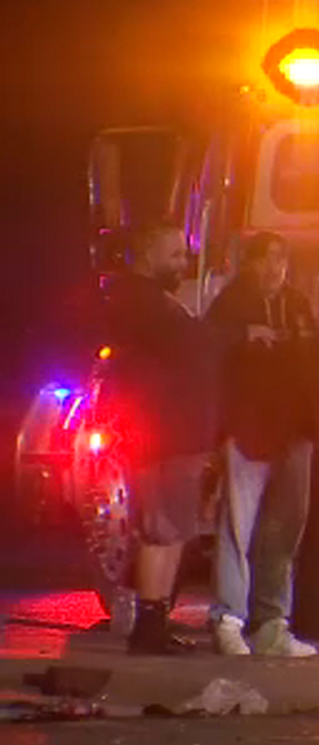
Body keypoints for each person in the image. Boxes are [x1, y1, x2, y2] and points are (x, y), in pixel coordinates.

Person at [100, 223, 221, 655]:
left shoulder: (159, 302)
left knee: (174, 532)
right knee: (161, 531)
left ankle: (156, 621)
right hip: (162, 435)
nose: (183, 264)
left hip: (180, 435)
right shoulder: (141, 301)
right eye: (174, 255)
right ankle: (149, 627)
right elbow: (189, 346)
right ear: (148, 254)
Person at [204, 231, 319, 656]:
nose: (275, 268)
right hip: (248, 429)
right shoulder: (230, 305)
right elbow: (207, 352)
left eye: (281, 258)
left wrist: (314, 423)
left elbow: (313, 365)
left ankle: (272, 624)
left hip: (294, 432)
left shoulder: (298, 305)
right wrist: (242, 334)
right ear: (249, 263)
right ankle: (229, 620)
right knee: (237, 526)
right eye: (266, 259)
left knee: (283, 530)